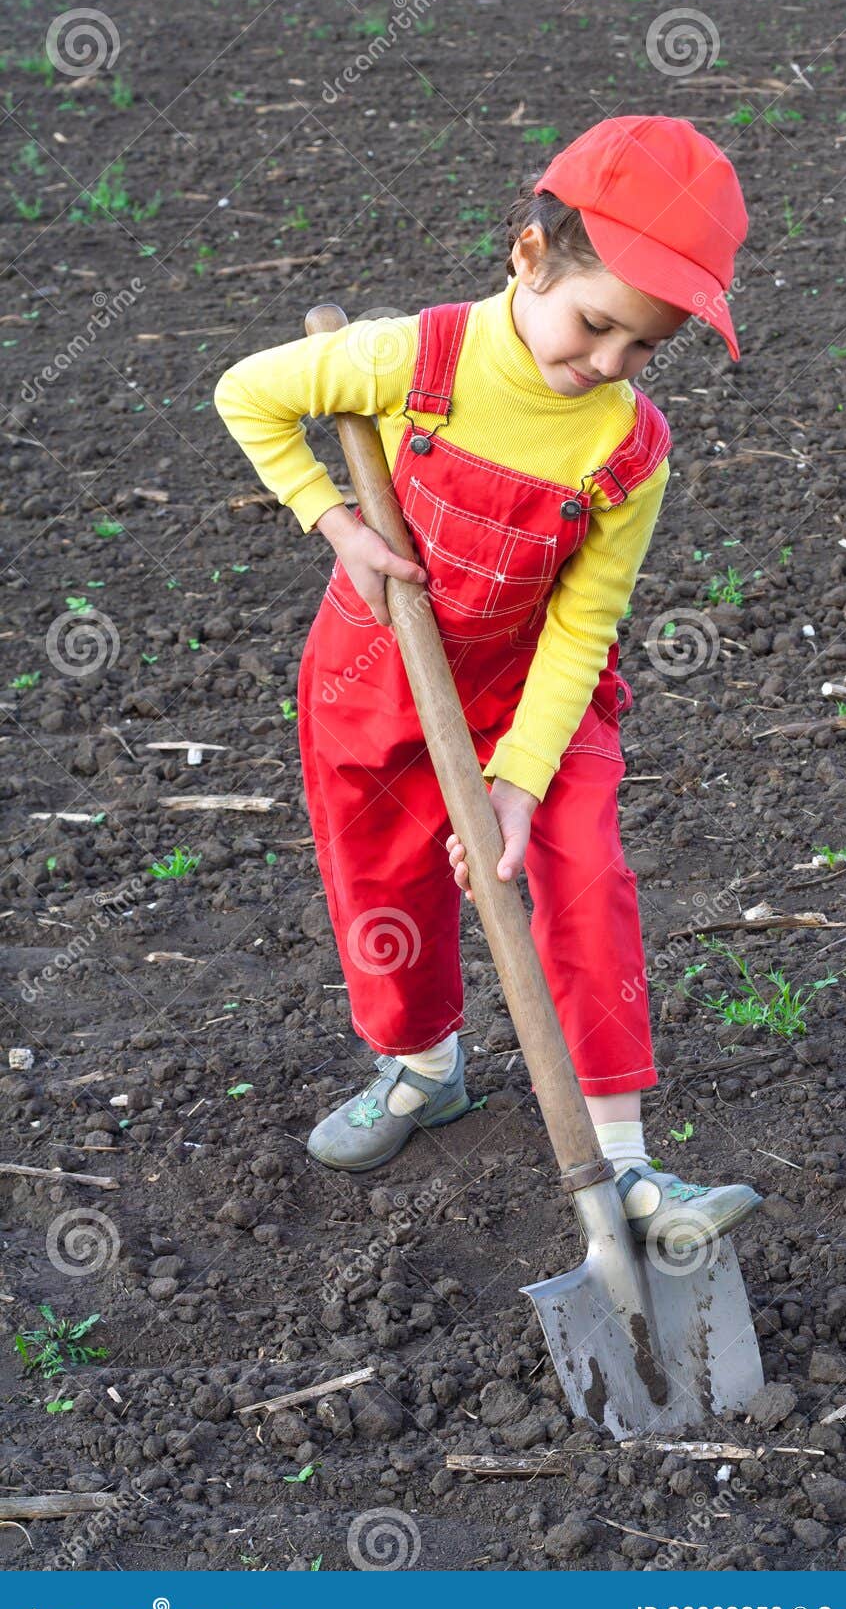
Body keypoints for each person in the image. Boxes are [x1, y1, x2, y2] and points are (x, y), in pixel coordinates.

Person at [214, 113, 761, 1252]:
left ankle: (623, 1166)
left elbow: (584, 622)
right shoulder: (407, 359)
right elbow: (248, 393)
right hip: (380, 668)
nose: (607, 364)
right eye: (595, 324)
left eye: (643, 348)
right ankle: (421, 1069)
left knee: (582, 874)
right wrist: (337, 525)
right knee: (381, 877)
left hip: (535, 689)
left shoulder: (628, 448)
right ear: (527, 257)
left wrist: (516, 779)